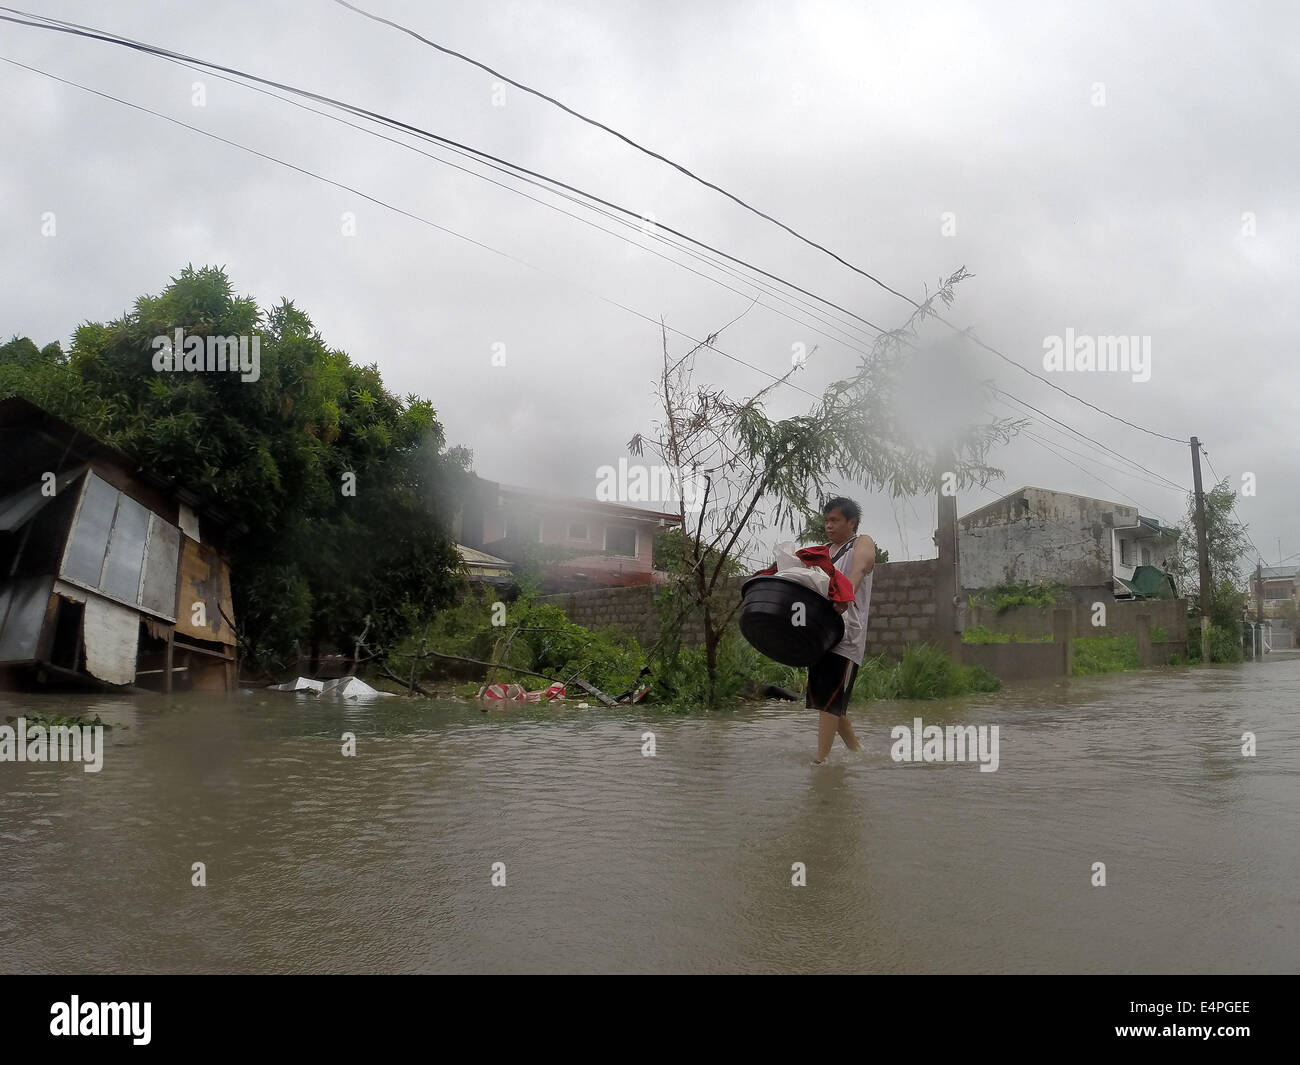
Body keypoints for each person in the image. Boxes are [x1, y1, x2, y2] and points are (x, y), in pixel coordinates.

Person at [807, 497, 875, 764]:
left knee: (829, 700)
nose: (829, 525)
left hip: (847, 637)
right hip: (821, 635)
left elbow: (860, 568)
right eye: (826, 521)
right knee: (832, 701)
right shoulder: (822, 551)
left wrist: (846, 594)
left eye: (834, 520)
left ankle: (820, 763)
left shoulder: (861, 543)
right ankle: (860, 754)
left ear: (851, 522)